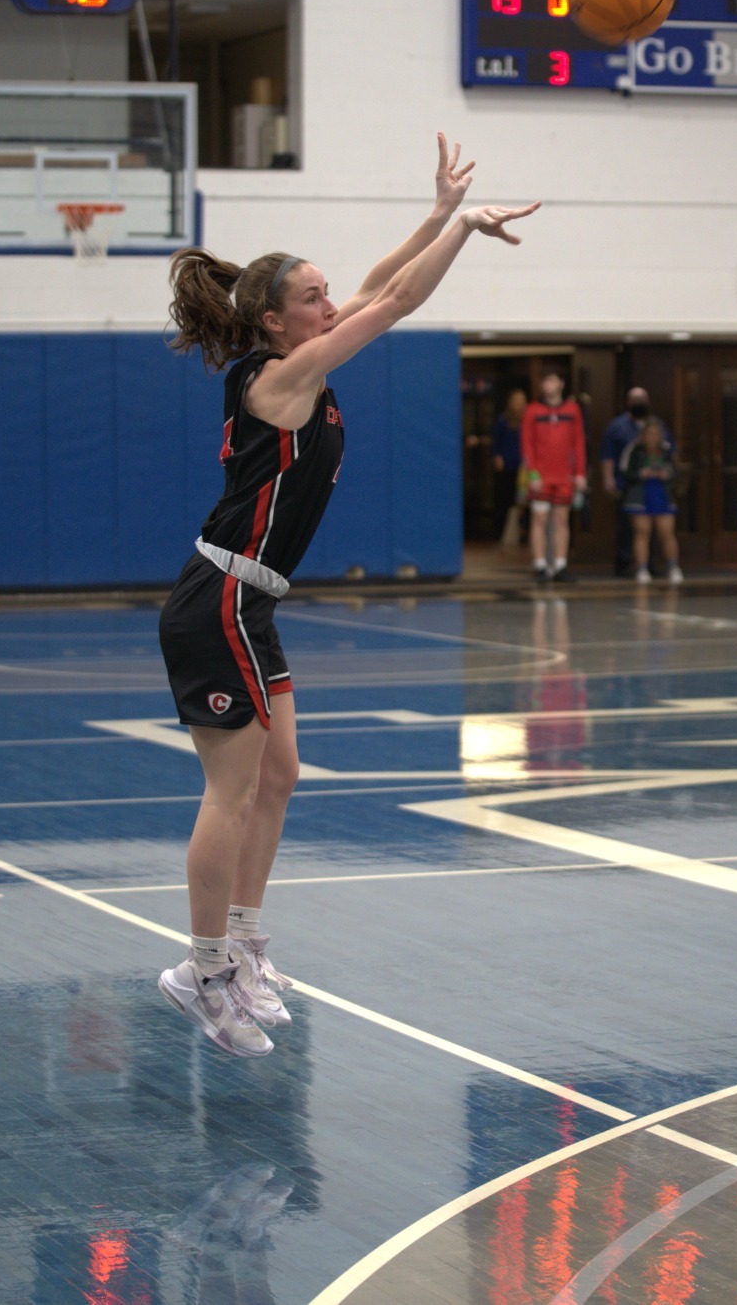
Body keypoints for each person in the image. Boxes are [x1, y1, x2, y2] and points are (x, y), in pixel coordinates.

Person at [155, 135, 537, 1057]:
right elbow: (397, 299)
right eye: (314, 298)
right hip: (219, 599)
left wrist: (437, 213)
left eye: (328, 294)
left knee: (280, 775)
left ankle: (246, 942)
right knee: (230, 790)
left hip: (252, 602)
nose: (334, 305)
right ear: (277, 322)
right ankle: (201, 969)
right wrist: (466, 229)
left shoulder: (302, 360)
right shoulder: (280, 380)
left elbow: (376, 283)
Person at [523, 370, 587, 583]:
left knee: (562, 519)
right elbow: (527, 444)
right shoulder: (532, 410)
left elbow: (578, 442)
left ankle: (560, 564)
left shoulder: (572, 410)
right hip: (541, 476)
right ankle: (540, 564)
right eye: (544, 381)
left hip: (564, 476)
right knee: (539, 519)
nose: (547, 385)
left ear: (561, 383)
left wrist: (580, 473)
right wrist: (533, 473)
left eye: (551, 381)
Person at [601, 388, 666, 577]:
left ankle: (649, 564)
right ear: (627, 402)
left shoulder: (657, 424)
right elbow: (608, 454)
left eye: (642, 399)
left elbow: (669, 450)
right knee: (627, 527)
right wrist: (608, 478)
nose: (639, 402)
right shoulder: (617, 426)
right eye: (635, 399)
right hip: (627, 482)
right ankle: (625, 563)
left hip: (654, 484)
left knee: (651, 527)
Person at [620, 415, 683, 584]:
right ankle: (642, 568)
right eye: (649, 433)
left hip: (662, 493)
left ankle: (673, 566)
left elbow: (675, 471)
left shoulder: (666, 450)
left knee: (667, 532)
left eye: (656, 433)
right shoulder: (634, 450)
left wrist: (666, 474)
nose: (653, 437)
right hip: (640, 494)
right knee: (642, 532)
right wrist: (641, 473)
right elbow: (625, 472)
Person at [492, 388, 525, 546]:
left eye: (521, 401)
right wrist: (497, 457)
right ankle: (497, 537)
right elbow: (496, 442)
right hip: (507, 466)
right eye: (516, 401)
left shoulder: (528, 420)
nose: (519, 404)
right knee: (503, 503)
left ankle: (525, 537)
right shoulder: (503, 420)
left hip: (524, 469)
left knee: (523, 502)